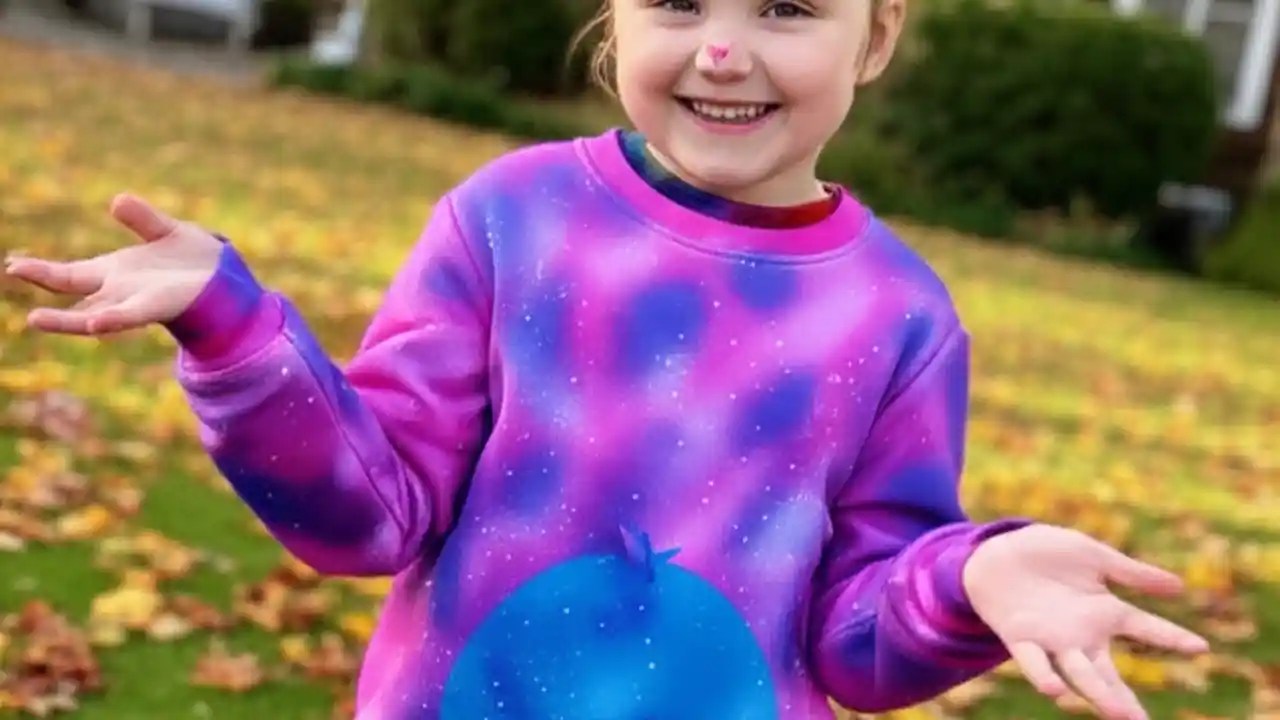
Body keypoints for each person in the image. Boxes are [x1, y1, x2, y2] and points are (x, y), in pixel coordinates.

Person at [5, 0, 1208, 717]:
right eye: (679, 1)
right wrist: (231, 326)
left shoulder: (898, 315)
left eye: (786, 8)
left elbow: (852, 635)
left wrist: (964, 581)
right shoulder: (507, 218)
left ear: (876, 34)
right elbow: (364, 519)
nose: (724, 51)